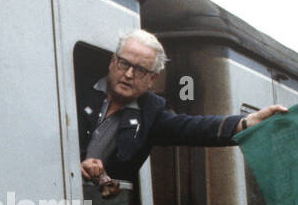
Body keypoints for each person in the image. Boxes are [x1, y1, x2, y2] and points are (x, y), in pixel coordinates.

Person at [80, 30, 285, 195]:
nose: (128, 74)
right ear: (112, 62)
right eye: (124, 64)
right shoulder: (76, 86)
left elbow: (195, 128)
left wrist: (248, 122)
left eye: (140, 70)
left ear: (152, 79)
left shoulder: (150, 113)